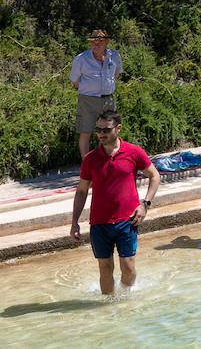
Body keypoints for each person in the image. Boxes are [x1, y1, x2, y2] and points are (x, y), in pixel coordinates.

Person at [70, 110, 160, 295]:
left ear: (118, 128)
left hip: (127, 220)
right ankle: (109, 308)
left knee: (128, 267)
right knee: (105, 268)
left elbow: (155, 176)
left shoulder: (134, 152)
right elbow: (81, 191)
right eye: (98, 130)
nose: (102, 134)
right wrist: (74, 221)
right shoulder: (90, 159)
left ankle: (127, 299)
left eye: (106, 130)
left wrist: (145, 204)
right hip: (99, 223)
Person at [71, 29, 122, 157]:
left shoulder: (114, 55)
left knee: (108, 131)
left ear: (106, 42)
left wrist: (105, 88)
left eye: (99, 42)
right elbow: (75, 80)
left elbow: (116, 74)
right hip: (87, 100)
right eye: (93, 42)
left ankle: (105, 161)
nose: (96, 45)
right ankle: (86, 165)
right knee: (85, 132)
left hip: (108, 99)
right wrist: (90, 89)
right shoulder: (81, 59)